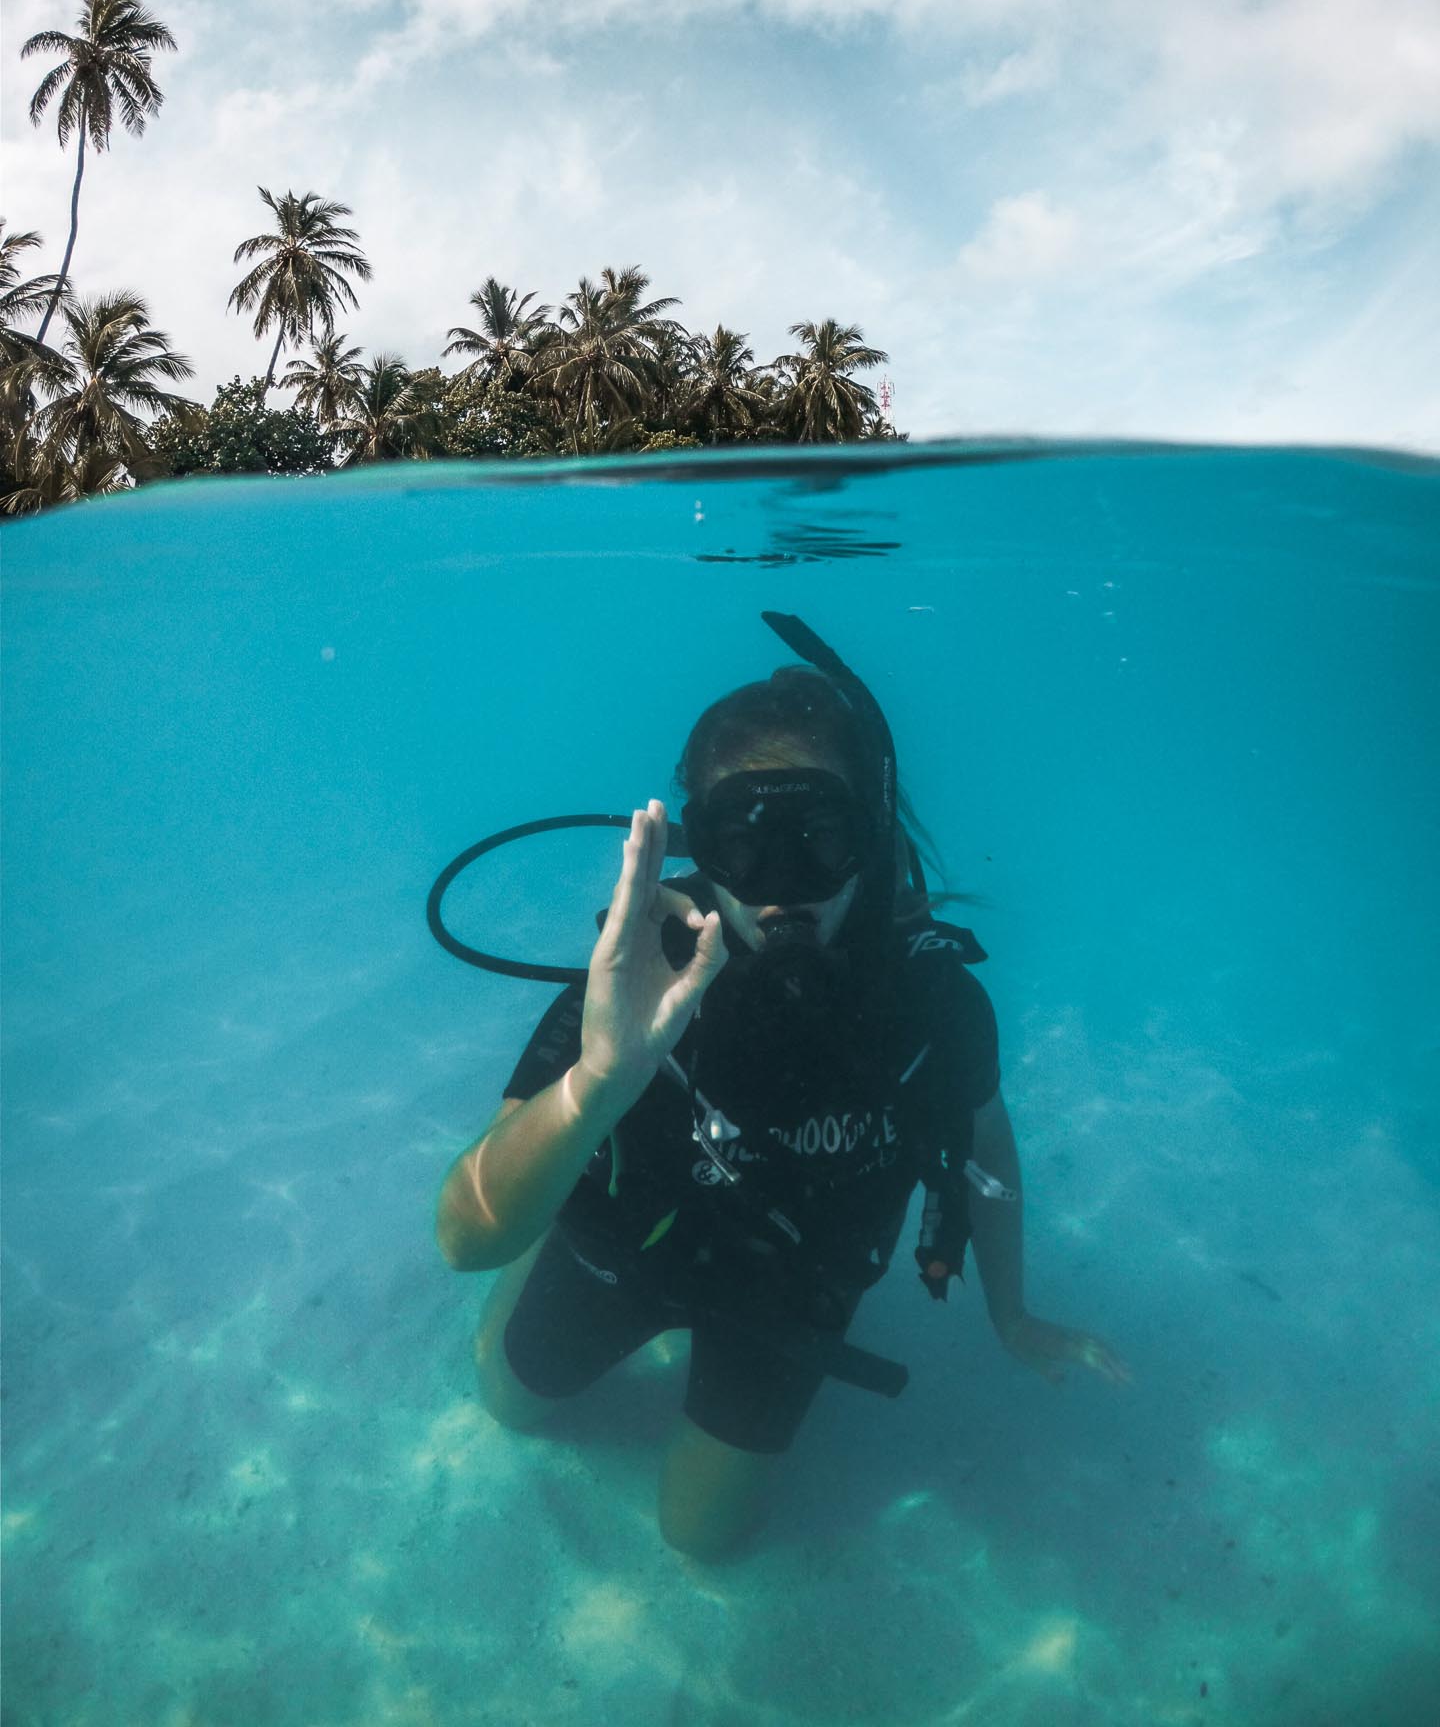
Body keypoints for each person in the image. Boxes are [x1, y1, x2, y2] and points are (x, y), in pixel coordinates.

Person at [436, 633, 1128, 1560]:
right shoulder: (639, 977)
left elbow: (983, 1151)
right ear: (700, 848)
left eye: (821, 840)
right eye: (745, 845)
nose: (781, 891)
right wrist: (600, 1081)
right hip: (630, 1250)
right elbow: (462, 1237)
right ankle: (550, 1227)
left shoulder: (935, 1002)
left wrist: (1011, 1311)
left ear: (870, 837)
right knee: (512, 1405)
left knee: (703, 1540)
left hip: (784, 1296)